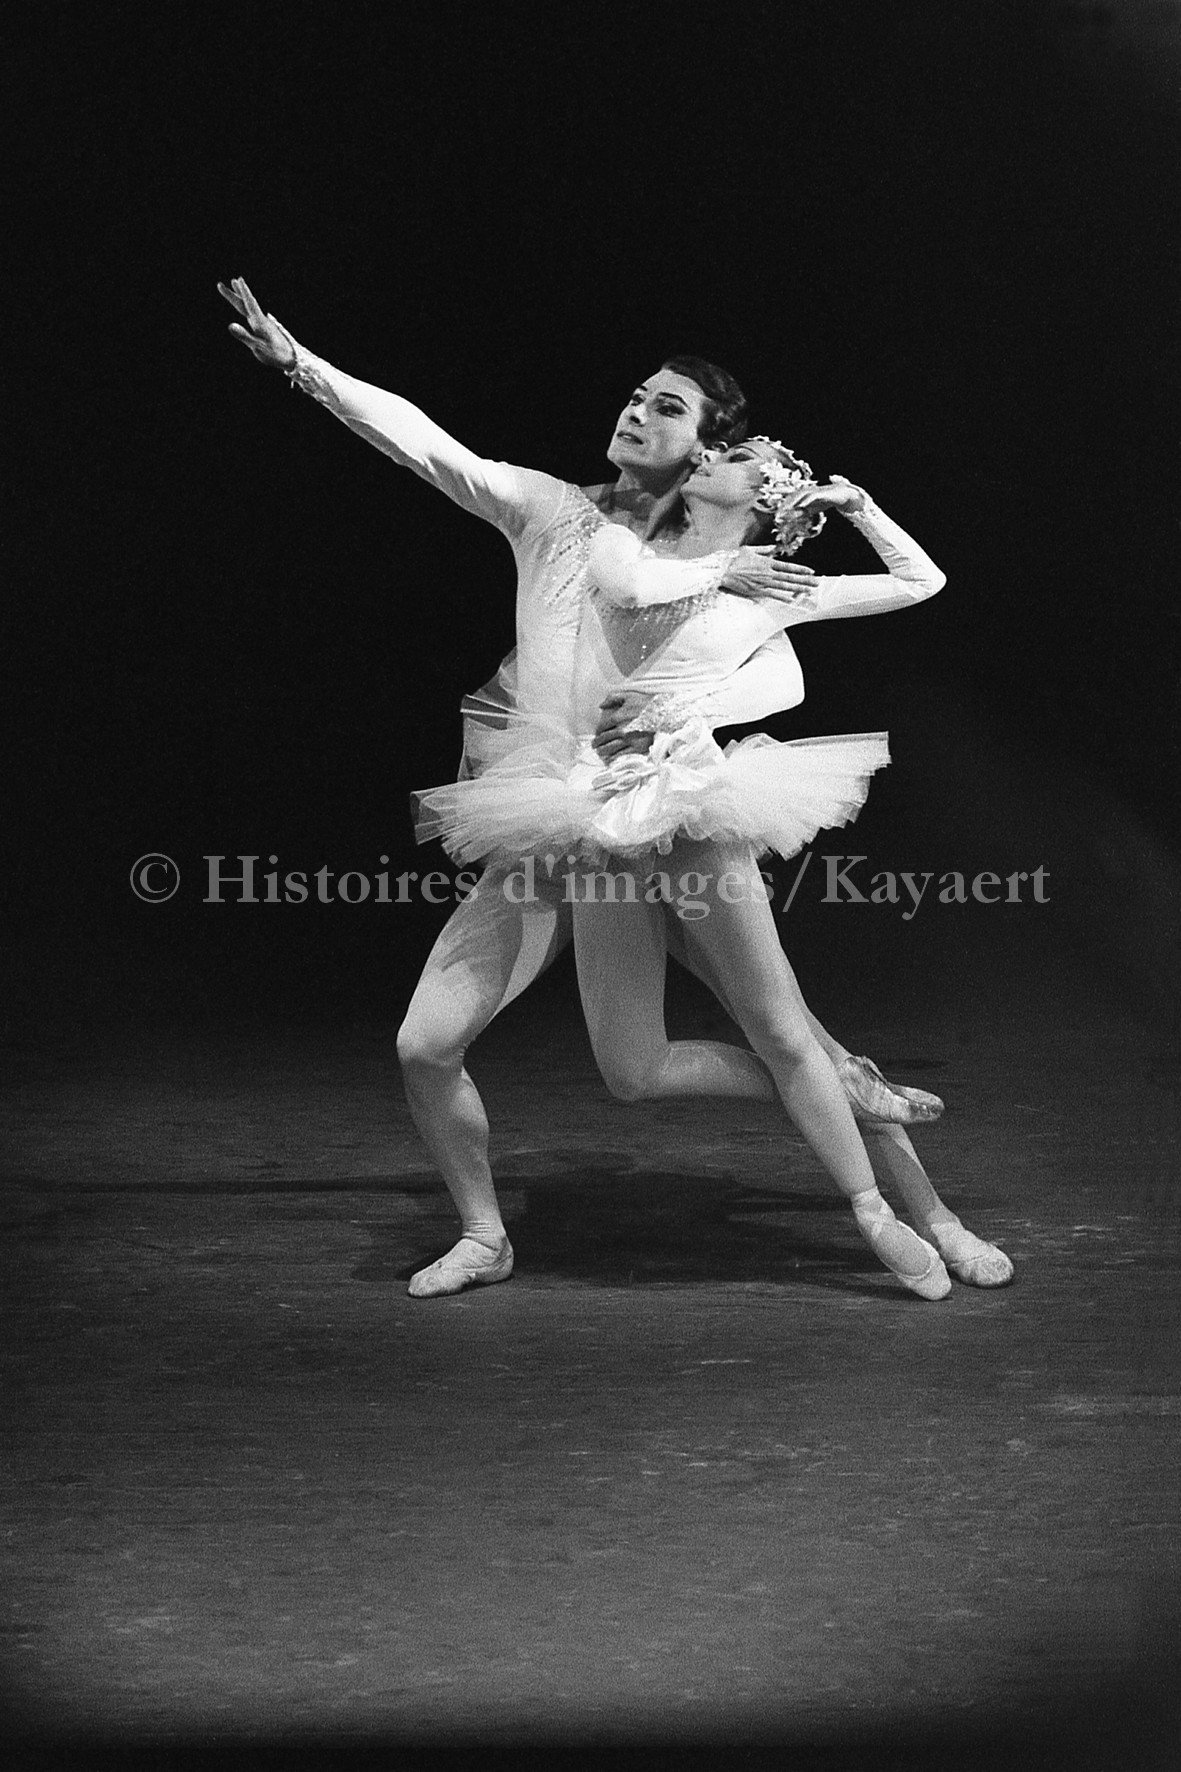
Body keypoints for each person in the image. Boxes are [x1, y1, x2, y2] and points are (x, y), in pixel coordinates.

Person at [219, 278, 1011, 1299]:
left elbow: (769, 665)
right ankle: (485, 1234)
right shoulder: (556, 514)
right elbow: (431, 448)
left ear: (710, 450)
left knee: (789, 1029)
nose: (635, 411)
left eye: (665, 406)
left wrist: (721, 652)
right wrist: (305, 370)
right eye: (635, 395)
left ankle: (931, 1214)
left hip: (663, 815)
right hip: (552, 819)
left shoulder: (741, 567)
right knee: (433, 1045)